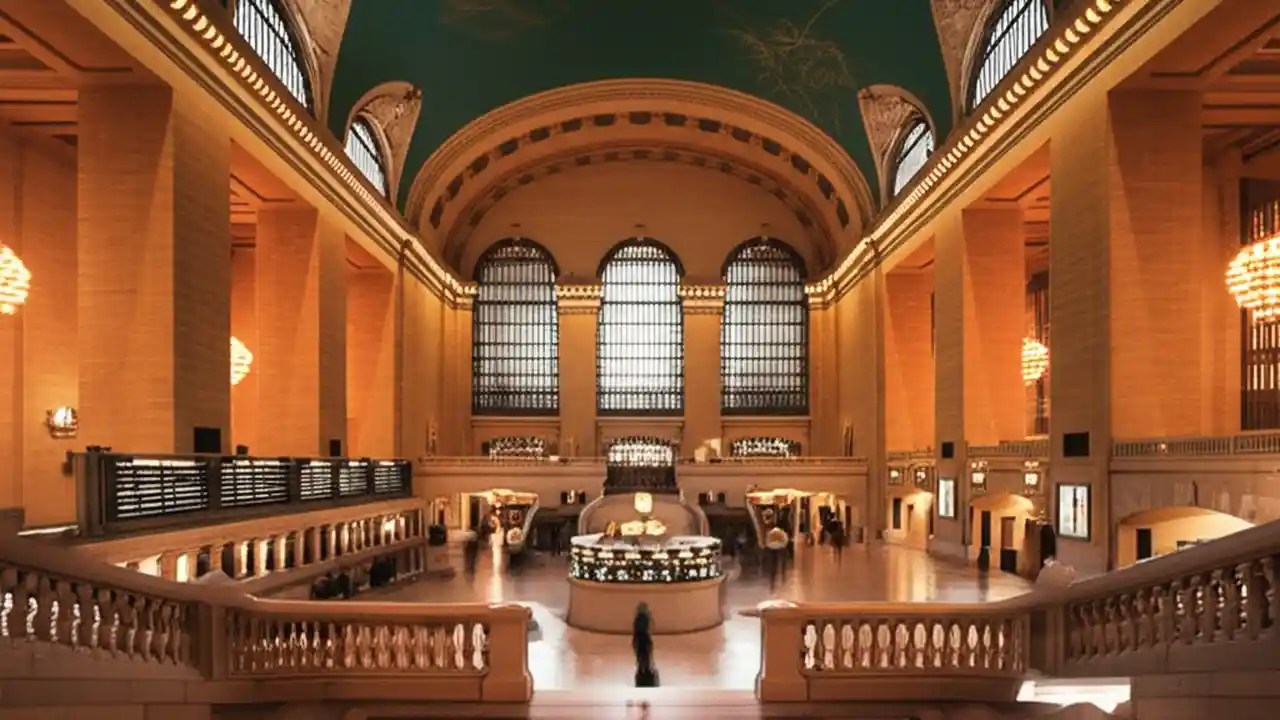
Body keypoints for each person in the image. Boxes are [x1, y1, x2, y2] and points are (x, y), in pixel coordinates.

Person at [632, 602, 658, 687]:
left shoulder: (637, 620)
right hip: (644, 640)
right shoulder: (647, 619)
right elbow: (651, 629)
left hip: (640, 640)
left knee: (641, 660)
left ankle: (642, 674)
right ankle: (647, 675)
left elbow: (635, 633)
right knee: (647, 659)